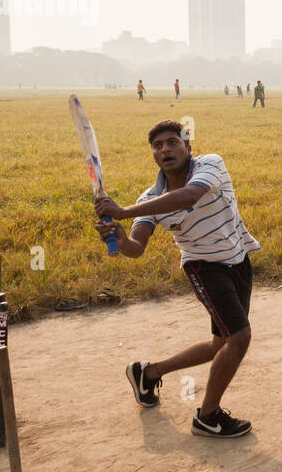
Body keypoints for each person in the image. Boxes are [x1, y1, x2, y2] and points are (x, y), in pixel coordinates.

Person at [94, 119, 260, 438]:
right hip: (203, 268)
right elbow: (136, 248)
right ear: (153, 156)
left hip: (239, 260)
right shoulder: (149, 200)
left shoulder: (211, 164)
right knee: (240, 337)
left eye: (173, 142)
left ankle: (147, 373)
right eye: (158, 146)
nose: (165, 149)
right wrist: (117, 235)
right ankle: (207, 416)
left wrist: (122, 212)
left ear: (188, 147)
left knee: (220, 343)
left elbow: (188, 196)